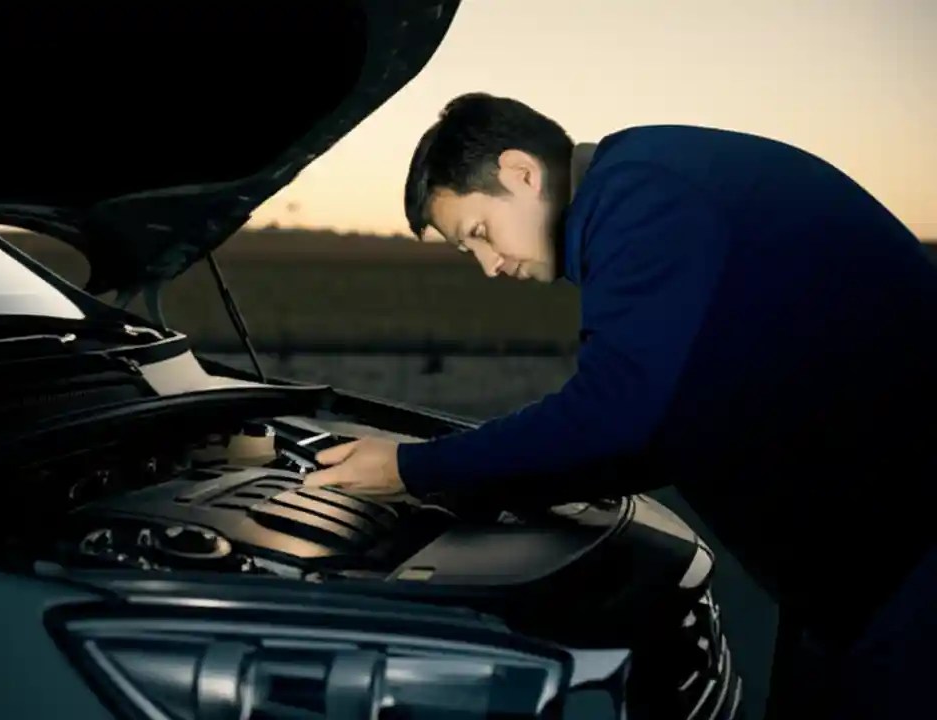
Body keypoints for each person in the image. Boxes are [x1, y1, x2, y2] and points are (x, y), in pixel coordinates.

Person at [302, 92, 937, 718]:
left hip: (906, 558)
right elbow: (657, 428)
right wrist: (468, 483)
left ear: (521, 173)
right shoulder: (643, 185)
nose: (489, 267)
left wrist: (412, 468)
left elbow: (614, 417)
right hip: (861, 570)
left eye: (479, 234)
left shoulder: (643, 198)